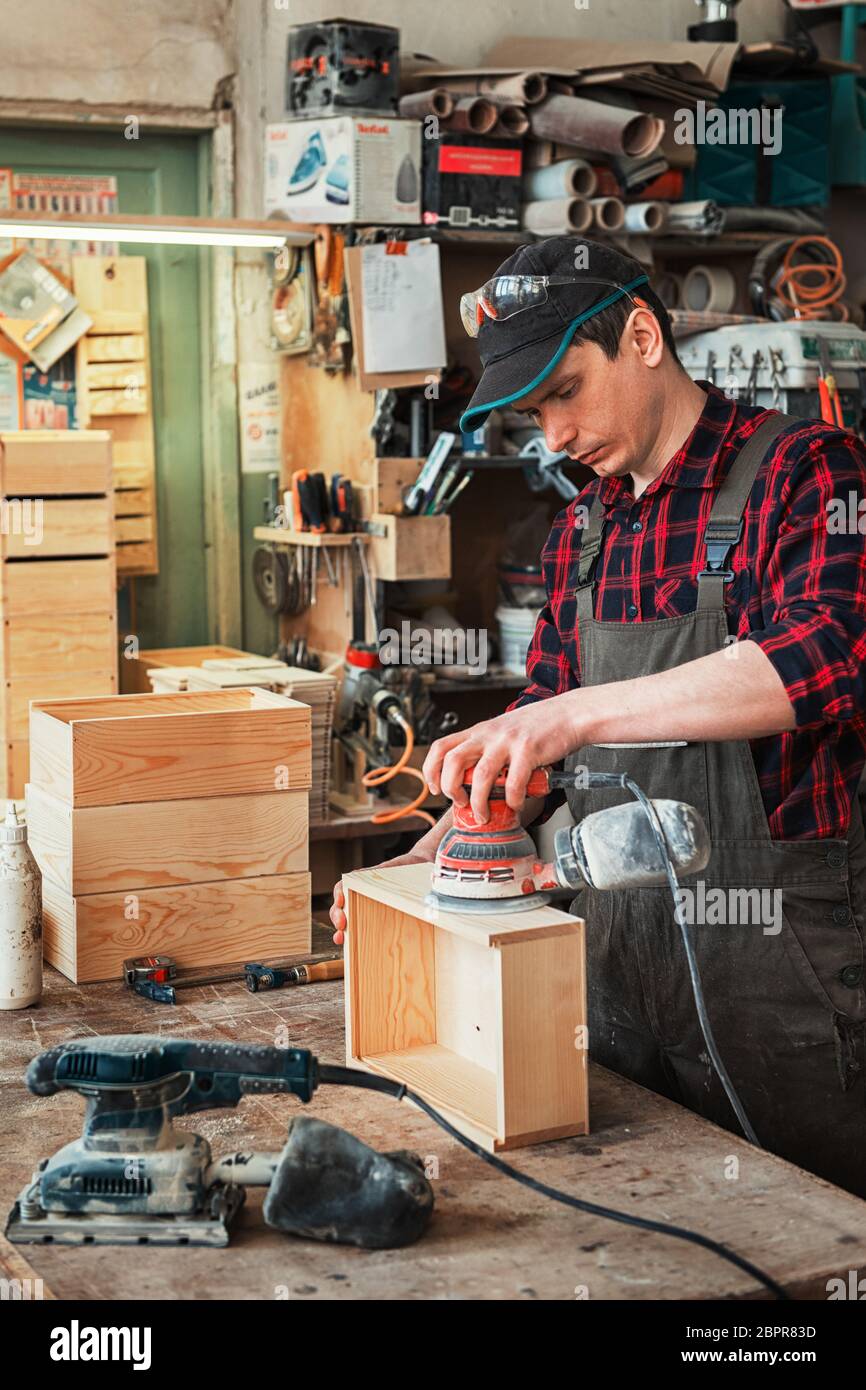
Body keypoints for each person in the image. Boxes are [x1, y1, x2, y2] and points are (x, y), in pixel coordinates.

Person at [332, 236, 866, 1196]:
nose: (555, 436)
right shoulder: (587, 527)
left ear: (643, 336)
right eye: (535, 413)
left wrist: (577, 716)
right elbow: (539, 737)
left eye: (566, 391)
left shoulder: (810, 470)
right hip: (614, 970)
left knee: (813, 1237)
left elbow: (825, 657)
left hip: (782, 974)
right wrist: (435, 858)